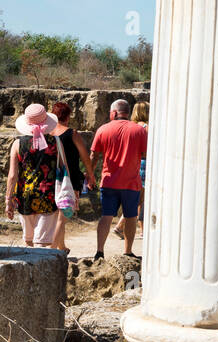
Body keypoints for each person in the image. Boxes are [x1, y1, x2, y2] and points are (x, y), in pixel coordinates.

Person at [89, 99, 148, 260]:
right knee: (130, 217)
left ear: (114, 113)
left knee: (106, 216)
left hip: (109, 182)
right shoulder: (139, 130)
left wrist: (90, 174)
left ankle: (99, 251)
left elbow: (94, 155)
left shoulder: (103, 129)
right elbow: (145, 154)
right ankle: (127, 251)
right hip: (131, 182)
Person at [5, 103, 59, 246]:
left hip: (24, 196)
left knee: (29, 240)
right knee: (42, 242)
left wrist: (8, 200)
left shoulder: (17, 144)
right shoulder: (56, 142)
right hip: (48, 196)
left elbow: (12, 175)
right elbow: (63, 168)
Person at [51, 102, 97, 253]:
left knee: (57, 215)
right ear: (68, 116)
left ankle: (61, 247)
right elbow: (85, 157)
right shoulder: (72, 133)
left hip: (50, 179)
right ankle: (50, 251)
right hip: (69, 180)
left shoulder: (47, 133)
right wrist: (91, 175)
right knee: (63, 215)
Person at [113, 100, 149, 238]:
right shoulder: (145, 127)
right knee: (140, 198)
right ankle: (121, 226)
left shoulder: (130, 126)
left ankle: (130, 227)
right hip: (144, 163)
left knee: (137, 197)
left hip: (131, 164)